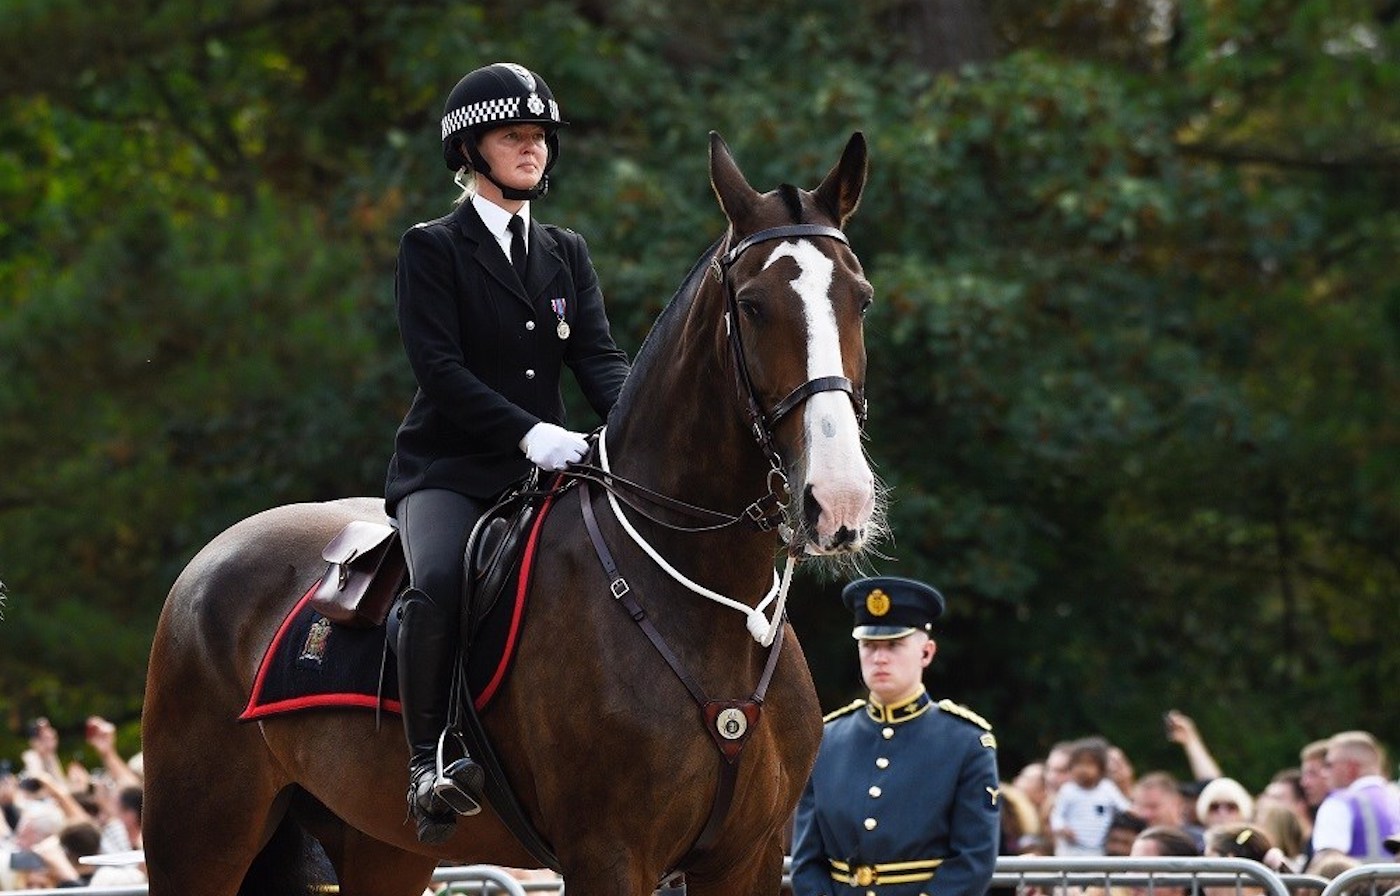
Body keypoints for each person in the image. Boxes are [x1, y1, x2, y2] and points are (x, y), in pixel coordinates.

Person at [384, 61, 631, 845]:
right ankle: (428, 761)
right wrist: (531, 433)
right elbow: (441, 372)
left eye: (540, 138)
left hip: (548, 473)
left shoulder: (566, 251)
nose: (532, 149)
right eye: (513, 135)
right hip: (451, 470)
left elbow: (598, 361)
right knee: (442, 580)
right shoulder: (432, 249)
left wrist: (636, 431)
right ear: (471, 151)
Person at [791, 576, 1000, 896]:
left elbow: (974, 859)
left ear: (926, 652)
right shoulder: (828, 739)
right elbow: (808, 860)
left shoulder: (966, 742)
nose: (879, 658)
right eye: (869, 646)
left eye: (894, 645)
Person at [1307, 730, 1400, 866]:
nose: (1324, 772)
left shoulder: (1338, 802)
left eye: (1329, 765)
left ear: (1351, 769)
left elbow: (1325, 865)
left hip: (1360, 887)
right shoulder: (1396, 796)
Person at [1049, 736, 1130, 856]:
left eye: (1089, 764)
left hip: (1098, 849)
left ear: (1101, 768)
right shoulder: (1068, 790)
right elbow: (1056, 817)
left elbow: (1125, 808)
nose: (1083, 769)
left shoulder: (1107, 788)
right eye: (1078, 764)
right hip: (1070, 850)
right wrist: (1062, 828)